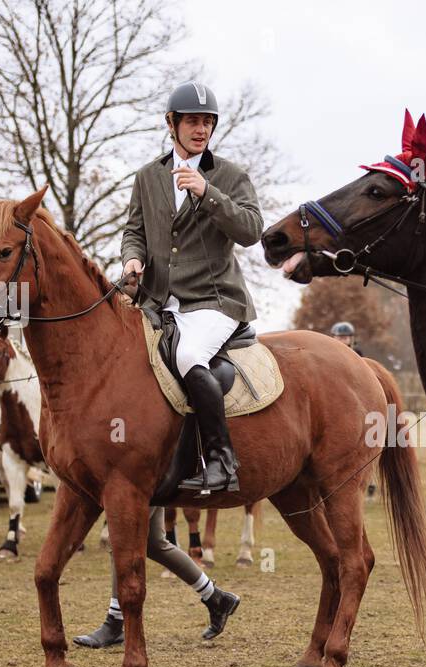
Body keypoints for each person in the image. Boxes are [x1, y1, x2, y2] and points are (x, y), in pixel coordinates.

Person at [121, 81, 263, 494]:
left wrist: (207, 192)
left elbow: (252, 230)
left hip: (214, 300)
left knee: (187, 354)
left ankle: (222, 460)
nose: (201, 129)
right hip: (157, 300)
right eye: (192, 121)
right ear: (172, 124)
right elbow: (134, 231)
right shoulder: (148, 176)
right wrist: (132, 258)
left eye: (207, 122)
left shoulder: (230, 176)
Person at [76, 506, 240, 647]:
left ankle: (114, 622)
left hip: (142, 481)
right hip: (151, 481)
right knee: (154, 543)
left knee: (122, 539)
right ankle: (215, 597)